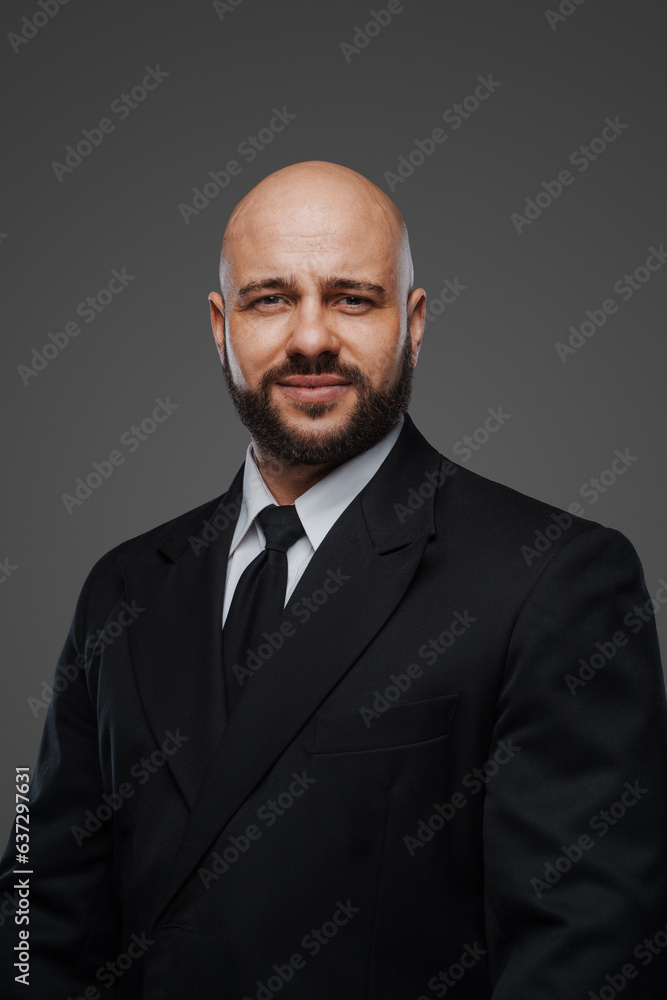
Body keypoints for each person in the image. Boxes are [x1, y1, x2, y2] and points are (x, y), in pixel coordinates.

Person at [1, 160, 666, 999]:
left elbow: (583, 956)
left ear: (412, 324)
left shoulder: (553, 577)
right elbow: (35, 906)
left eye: (351, 298)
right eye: (269, 299)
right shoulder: (123, 587)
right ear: (220, 326)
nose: (310, 337)